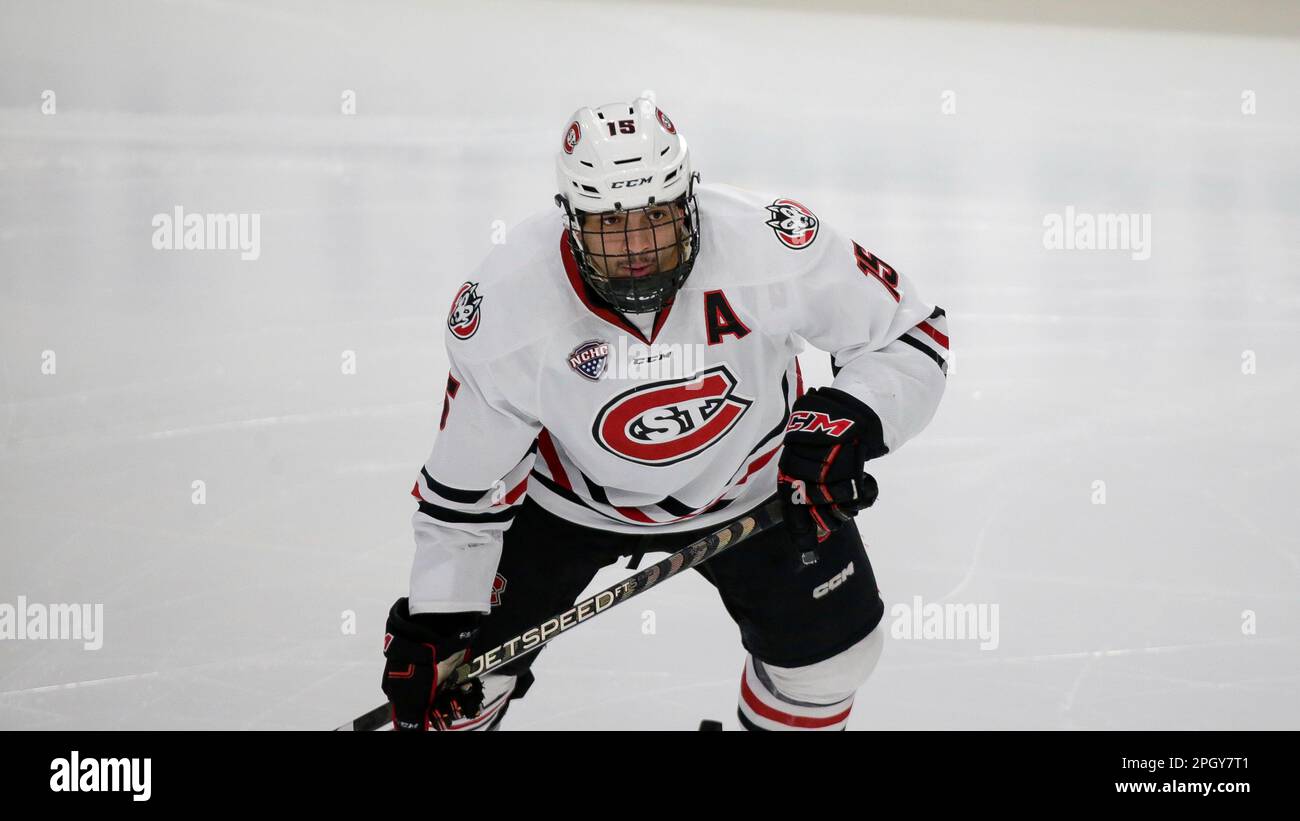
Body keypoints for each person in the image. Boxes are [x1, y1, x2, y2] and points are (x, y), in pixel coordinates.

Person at [381, 97, 950, 731]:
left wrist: (855, 416)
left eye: (655, 215)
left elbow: (907, 332)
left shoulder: (769, 242)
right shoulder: (508, 306)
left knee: (832, 664)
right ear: (568, 217)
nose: (636, 248)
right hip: (568, 506)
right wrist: (438, 617)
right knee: (457, 691)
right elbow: (466, 495)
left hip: (754, 485)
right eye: (607, 223)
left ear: (688, 198)